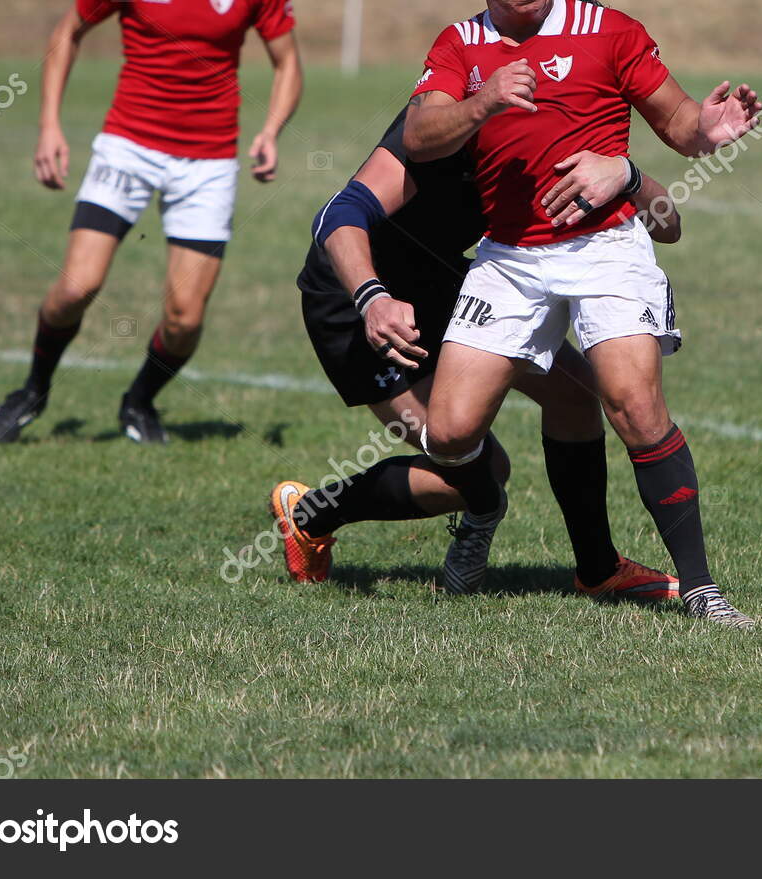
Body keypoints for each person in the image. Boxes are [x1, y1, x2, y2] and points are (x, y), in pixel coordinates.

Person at [403, 0, 762, 628]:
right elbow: (418, 132)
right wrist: (483, 103)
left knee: (634, 404)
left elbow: (680, 122)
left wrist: (709, 129)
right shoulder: (462, 45)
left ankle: (700, 588)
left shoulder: (608, 31)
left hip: (607, 245)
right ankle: (485, 513)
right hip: (508, 258)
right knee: (449, 431)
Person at [272, 105, 685, 600]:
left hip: (443, 279)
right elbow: (337, 215)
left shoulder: (556, 127)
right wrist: (371, 298)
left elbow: (665, 223)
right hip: (356, 296)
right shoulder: (438, 121)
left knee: (574, 395)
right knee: (473, 473)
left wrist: (626, 175)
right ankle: (313, 516)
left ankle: (598, 569)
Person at [0, 0, 302, 445]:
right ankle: (33, 389)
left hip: (208, 162)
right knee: (76, 288)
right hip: (128, 146)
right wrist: (49, 124)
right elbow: (66, 33)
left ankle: (138, 401)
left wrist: (271, 130)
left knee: (184, 320)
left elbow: (288, 61)